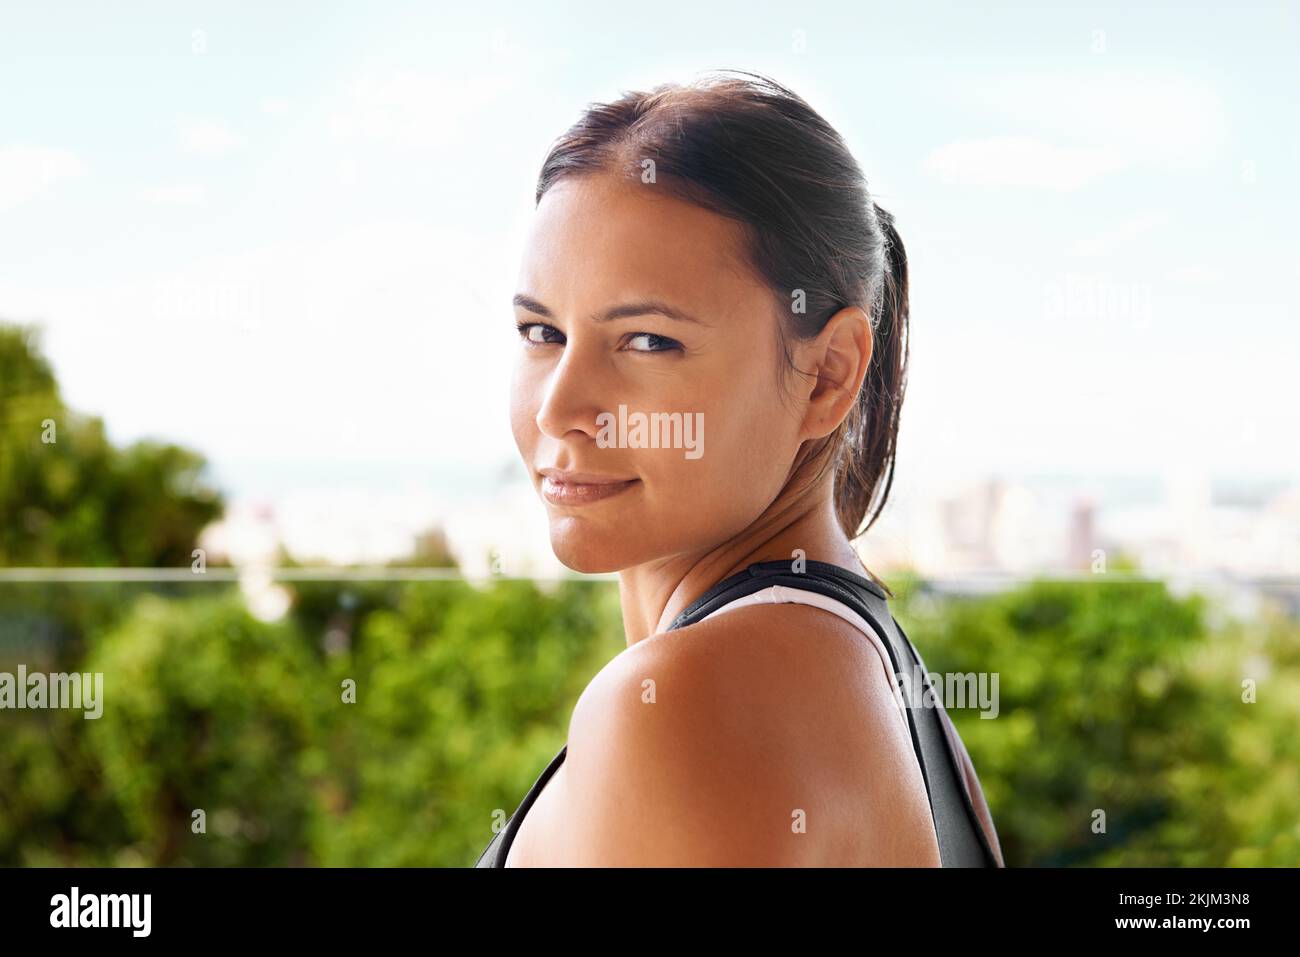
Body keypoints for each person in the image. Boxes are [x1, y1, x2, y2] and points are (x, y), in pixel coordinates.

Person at [480, 69, 1004, 867]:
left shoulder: (682, 709)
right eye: (541, 332)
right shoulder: (886, 686)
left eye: (648, 341)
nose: (560, 407)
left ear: (828, 374)